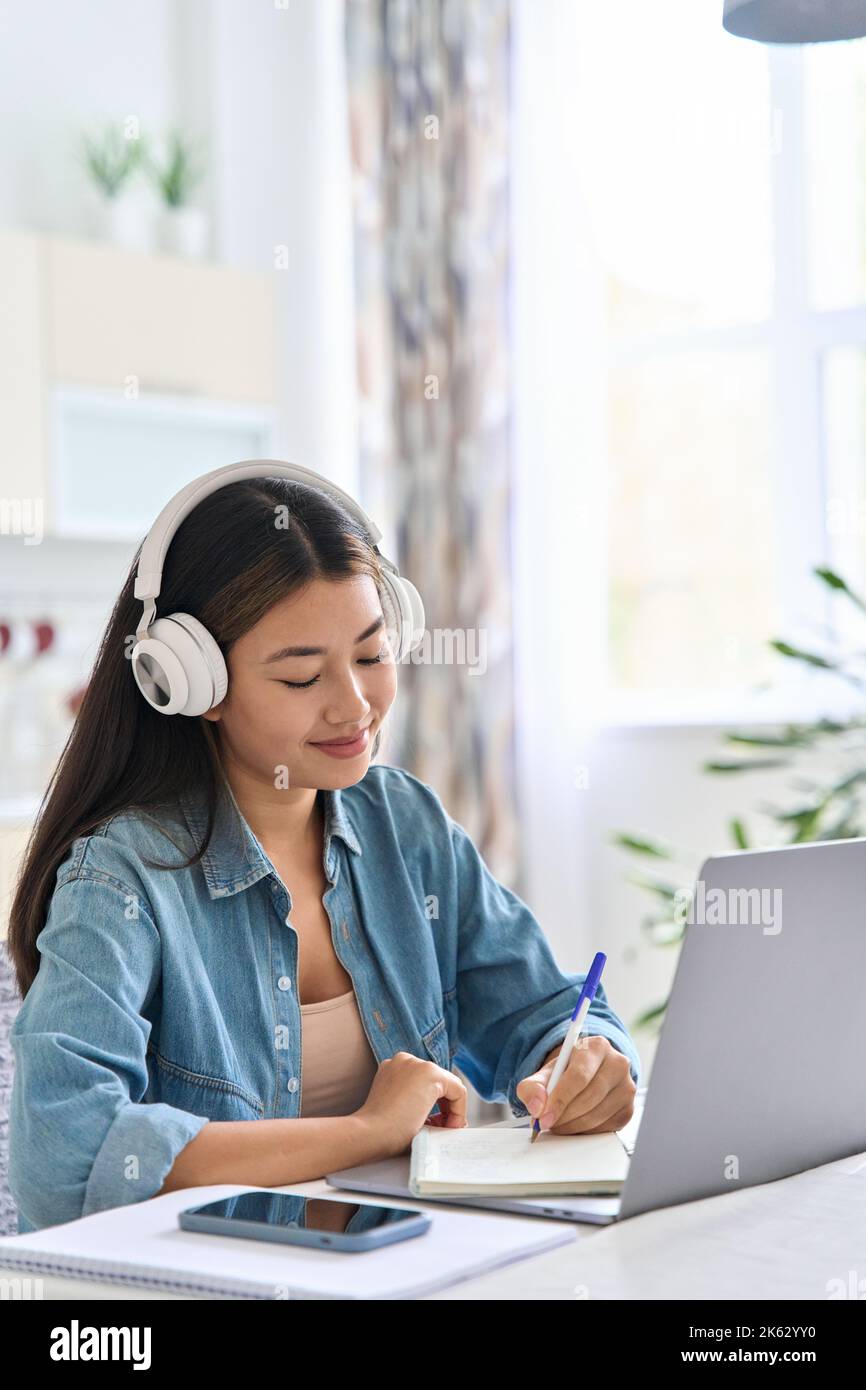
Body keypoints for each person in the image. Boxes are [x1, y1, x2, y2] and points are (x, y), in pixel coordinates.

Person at [6, 466, 639, 1234]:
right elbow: (62, 1158)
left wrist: (588, 1059)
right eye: (303, 675)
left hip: (421, 1270)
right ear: (191, 682)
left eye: (372, 657)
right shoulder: (122, 881)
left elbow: (548, 1009)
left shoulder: (406, 827)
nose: (355, 705)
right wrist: (362, 1134)